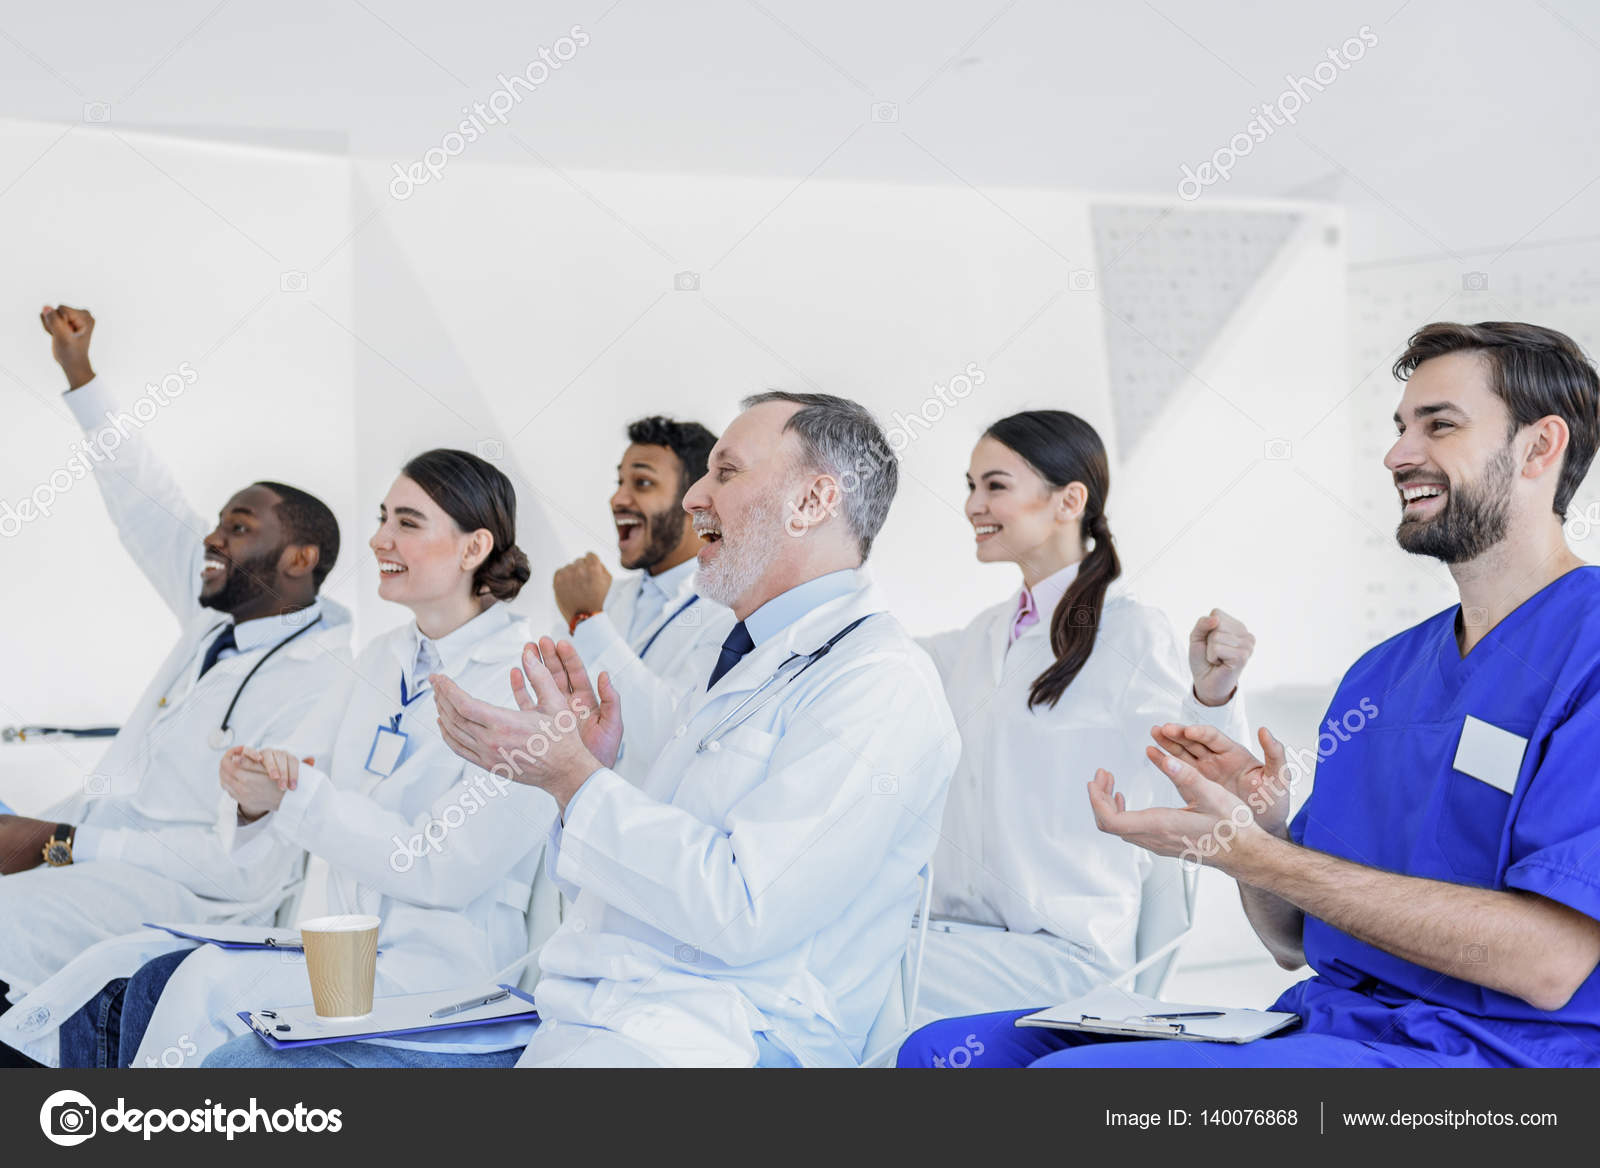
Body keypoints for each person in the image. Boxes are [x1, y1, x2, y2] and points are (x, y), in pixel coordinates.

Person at [899, 320, 1600, 1068]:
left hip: (1495, 1052)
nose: (1398, 454)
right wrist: (1252, 834)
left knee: (1080, 1080)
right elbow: (1289, 941)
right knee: (949, 1053)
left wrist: (1259, 857)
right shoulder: (1382, 673)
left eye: (1440, 425)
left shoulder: (1583, 651)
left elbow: (1549, 964)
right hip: (1333, 1021)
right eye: (1400, 428)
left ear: (1539, 447)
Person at [202, 391, 960, 1068]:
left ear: (812, 501)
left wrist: (575, 780)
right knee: (244, 1061)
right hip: (604, 1017)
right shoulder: (745, 661)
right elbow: (642, 866)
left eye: (724, 473)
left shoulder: (878, 684)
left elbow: (742, 909)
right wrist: (582, 780)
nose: (696, 494)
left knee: (258, 1073)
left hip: (731, 1041)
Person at [1, 449, 555, 1068]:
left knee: (193, 1014)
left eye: (407, 522)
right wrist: (252, 794)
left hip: (445, 978)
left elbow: (440, 866)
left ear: (473, 547)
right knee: (170, 980)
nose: (378, 539)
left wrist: (297, 798)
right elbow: (289, 777)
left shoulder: (529, 680)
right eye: (382, 517)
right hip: (346, 956)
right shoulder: (381, 658)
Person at [0, 306, 352, 1018]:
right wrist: (79, 372)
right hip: (98, 855)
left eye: (238, 527)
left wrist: (62, 844)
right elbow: (142, 497)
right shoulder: (217, 612)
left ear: (298, 558)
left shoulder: (319, 682)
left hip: (194, 899)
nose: (213, 538)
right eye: (221, 521)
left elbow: (243, 865)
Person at [912, 410, 1252, 1022]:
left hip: (1065, 954)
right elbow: (885, 664)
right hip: (963, 937)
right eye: (969, 485)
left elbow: (1201, 773)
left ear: (1069, 500)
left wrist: (1212, 694)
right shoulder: (978, 640)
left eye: (995, 485)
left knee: (850, 977)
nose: (971, 505)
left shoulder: (1130, 633)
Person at [552, 416, 735, 780]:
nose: (618, 499)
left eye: (643, 483)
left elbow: (671, 741)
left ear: (697, 500)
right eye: (620, 482)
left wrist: (589, 621)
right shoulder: (602, 596)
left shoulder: (729, 613)